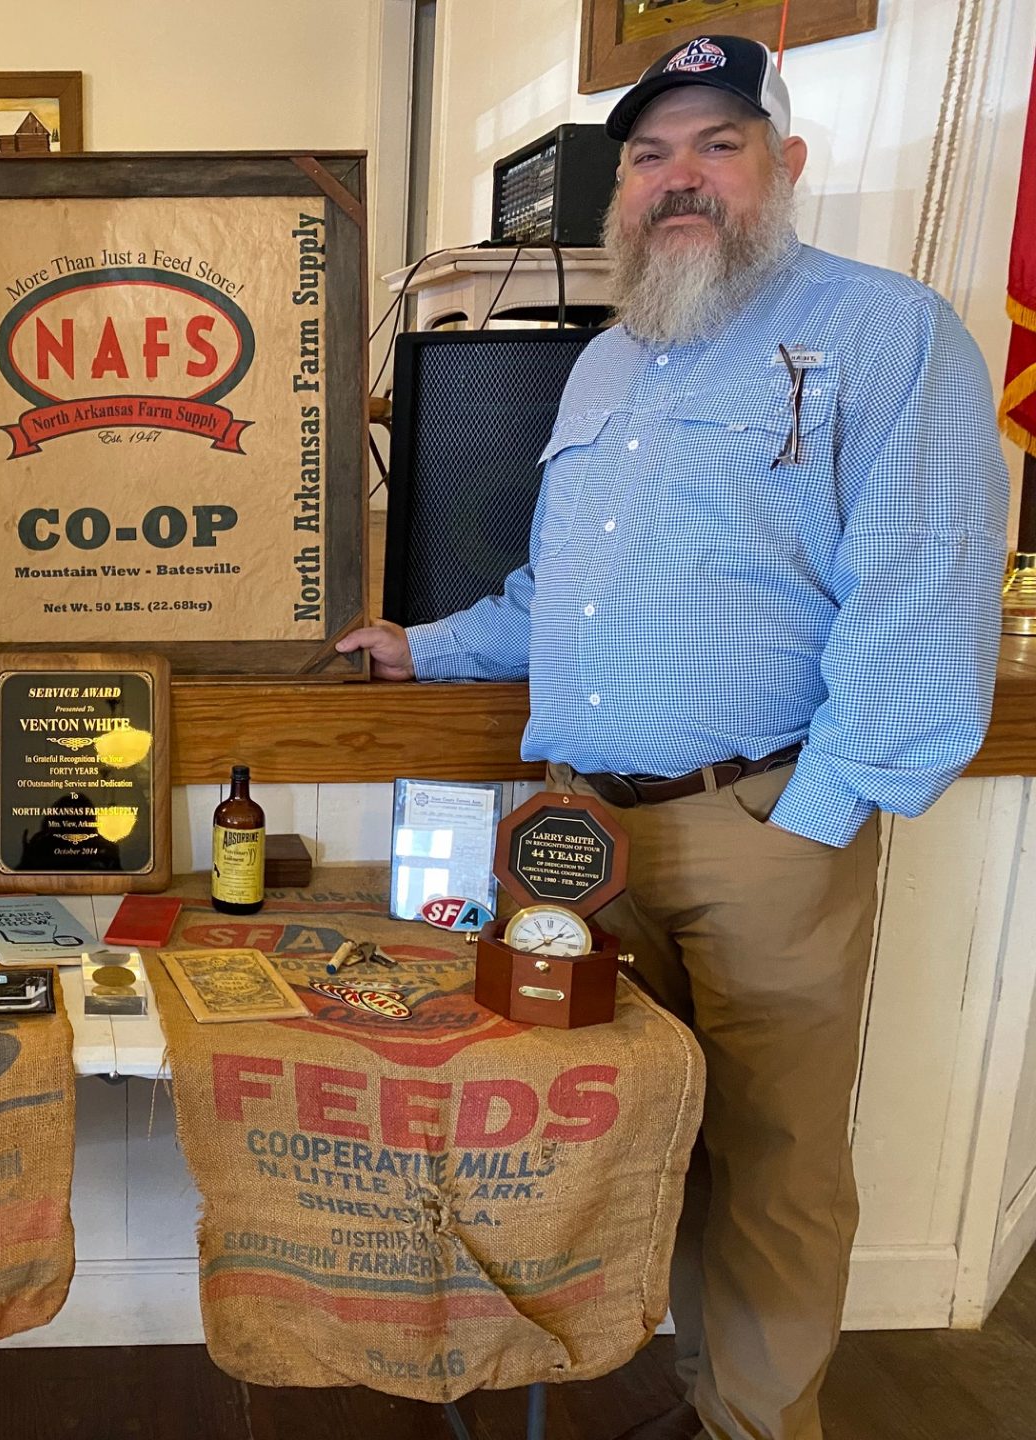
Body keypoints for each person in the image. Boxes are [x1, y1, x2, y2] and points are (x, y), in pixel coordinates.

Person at [340, 34, 1008, 1440]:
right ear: (618, 189)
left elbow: (925, 581)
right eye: (651, 153)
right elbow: (556, 594)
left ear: (787, 164)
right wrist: (426, 645)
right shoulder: (609, 364)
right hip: (586, 837)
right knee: (648, 1129)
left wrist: (815, 817)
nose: (680, 177)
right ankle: (703, 1396)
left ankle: (760, 1427)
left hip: (760, 819)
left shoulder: (889, 333)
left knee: (775, 1163)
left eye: (718, 143)